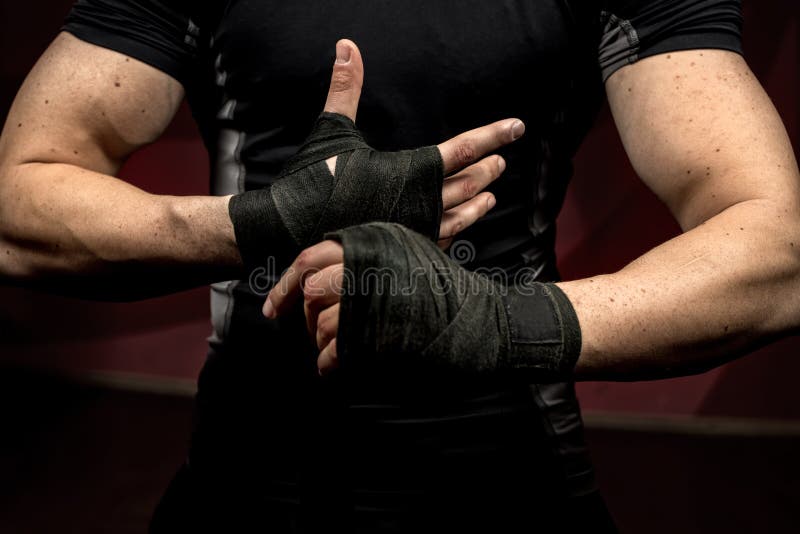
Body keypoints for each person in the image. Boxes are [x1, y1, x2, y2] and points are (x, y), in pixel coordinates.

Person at [1, 0, 794, 532]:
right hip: (245, 483)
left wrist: (495, 323)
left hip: (512, 483)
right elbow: (16, 210)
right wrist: (269, 221)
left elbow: (777, 252)